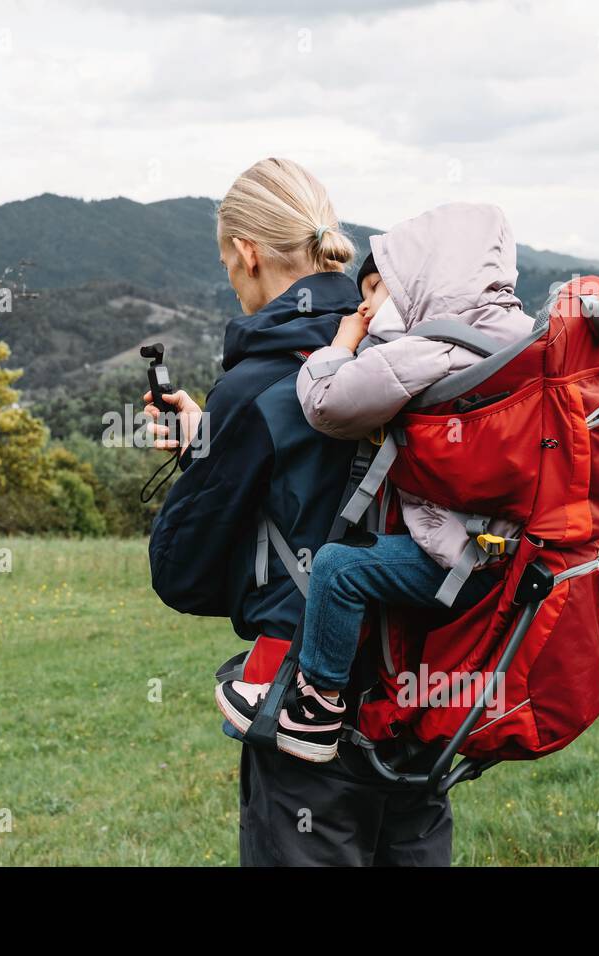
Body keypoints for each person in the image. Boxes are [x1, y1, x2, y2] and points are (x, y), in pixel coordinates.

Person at [145, 158, 452, 866]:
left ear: (248, 253)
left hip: (311, 712)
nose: (230, 276)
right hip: (419, 695)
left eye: (227, 261)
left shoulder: (253, 386)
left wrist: (210, 457)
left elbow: (181, 573)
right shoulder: (397, 351)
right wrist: (217, 444)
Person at [215, 202, 535, 763]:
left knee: (338, 568)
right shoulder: (519, 336)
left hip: (461, 554)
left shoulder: (433, 347)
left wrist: (340, 347)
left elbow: (326, 404)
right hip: (510, 548)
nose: (364, 305)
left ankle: (316, 710)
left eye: (379, 291)